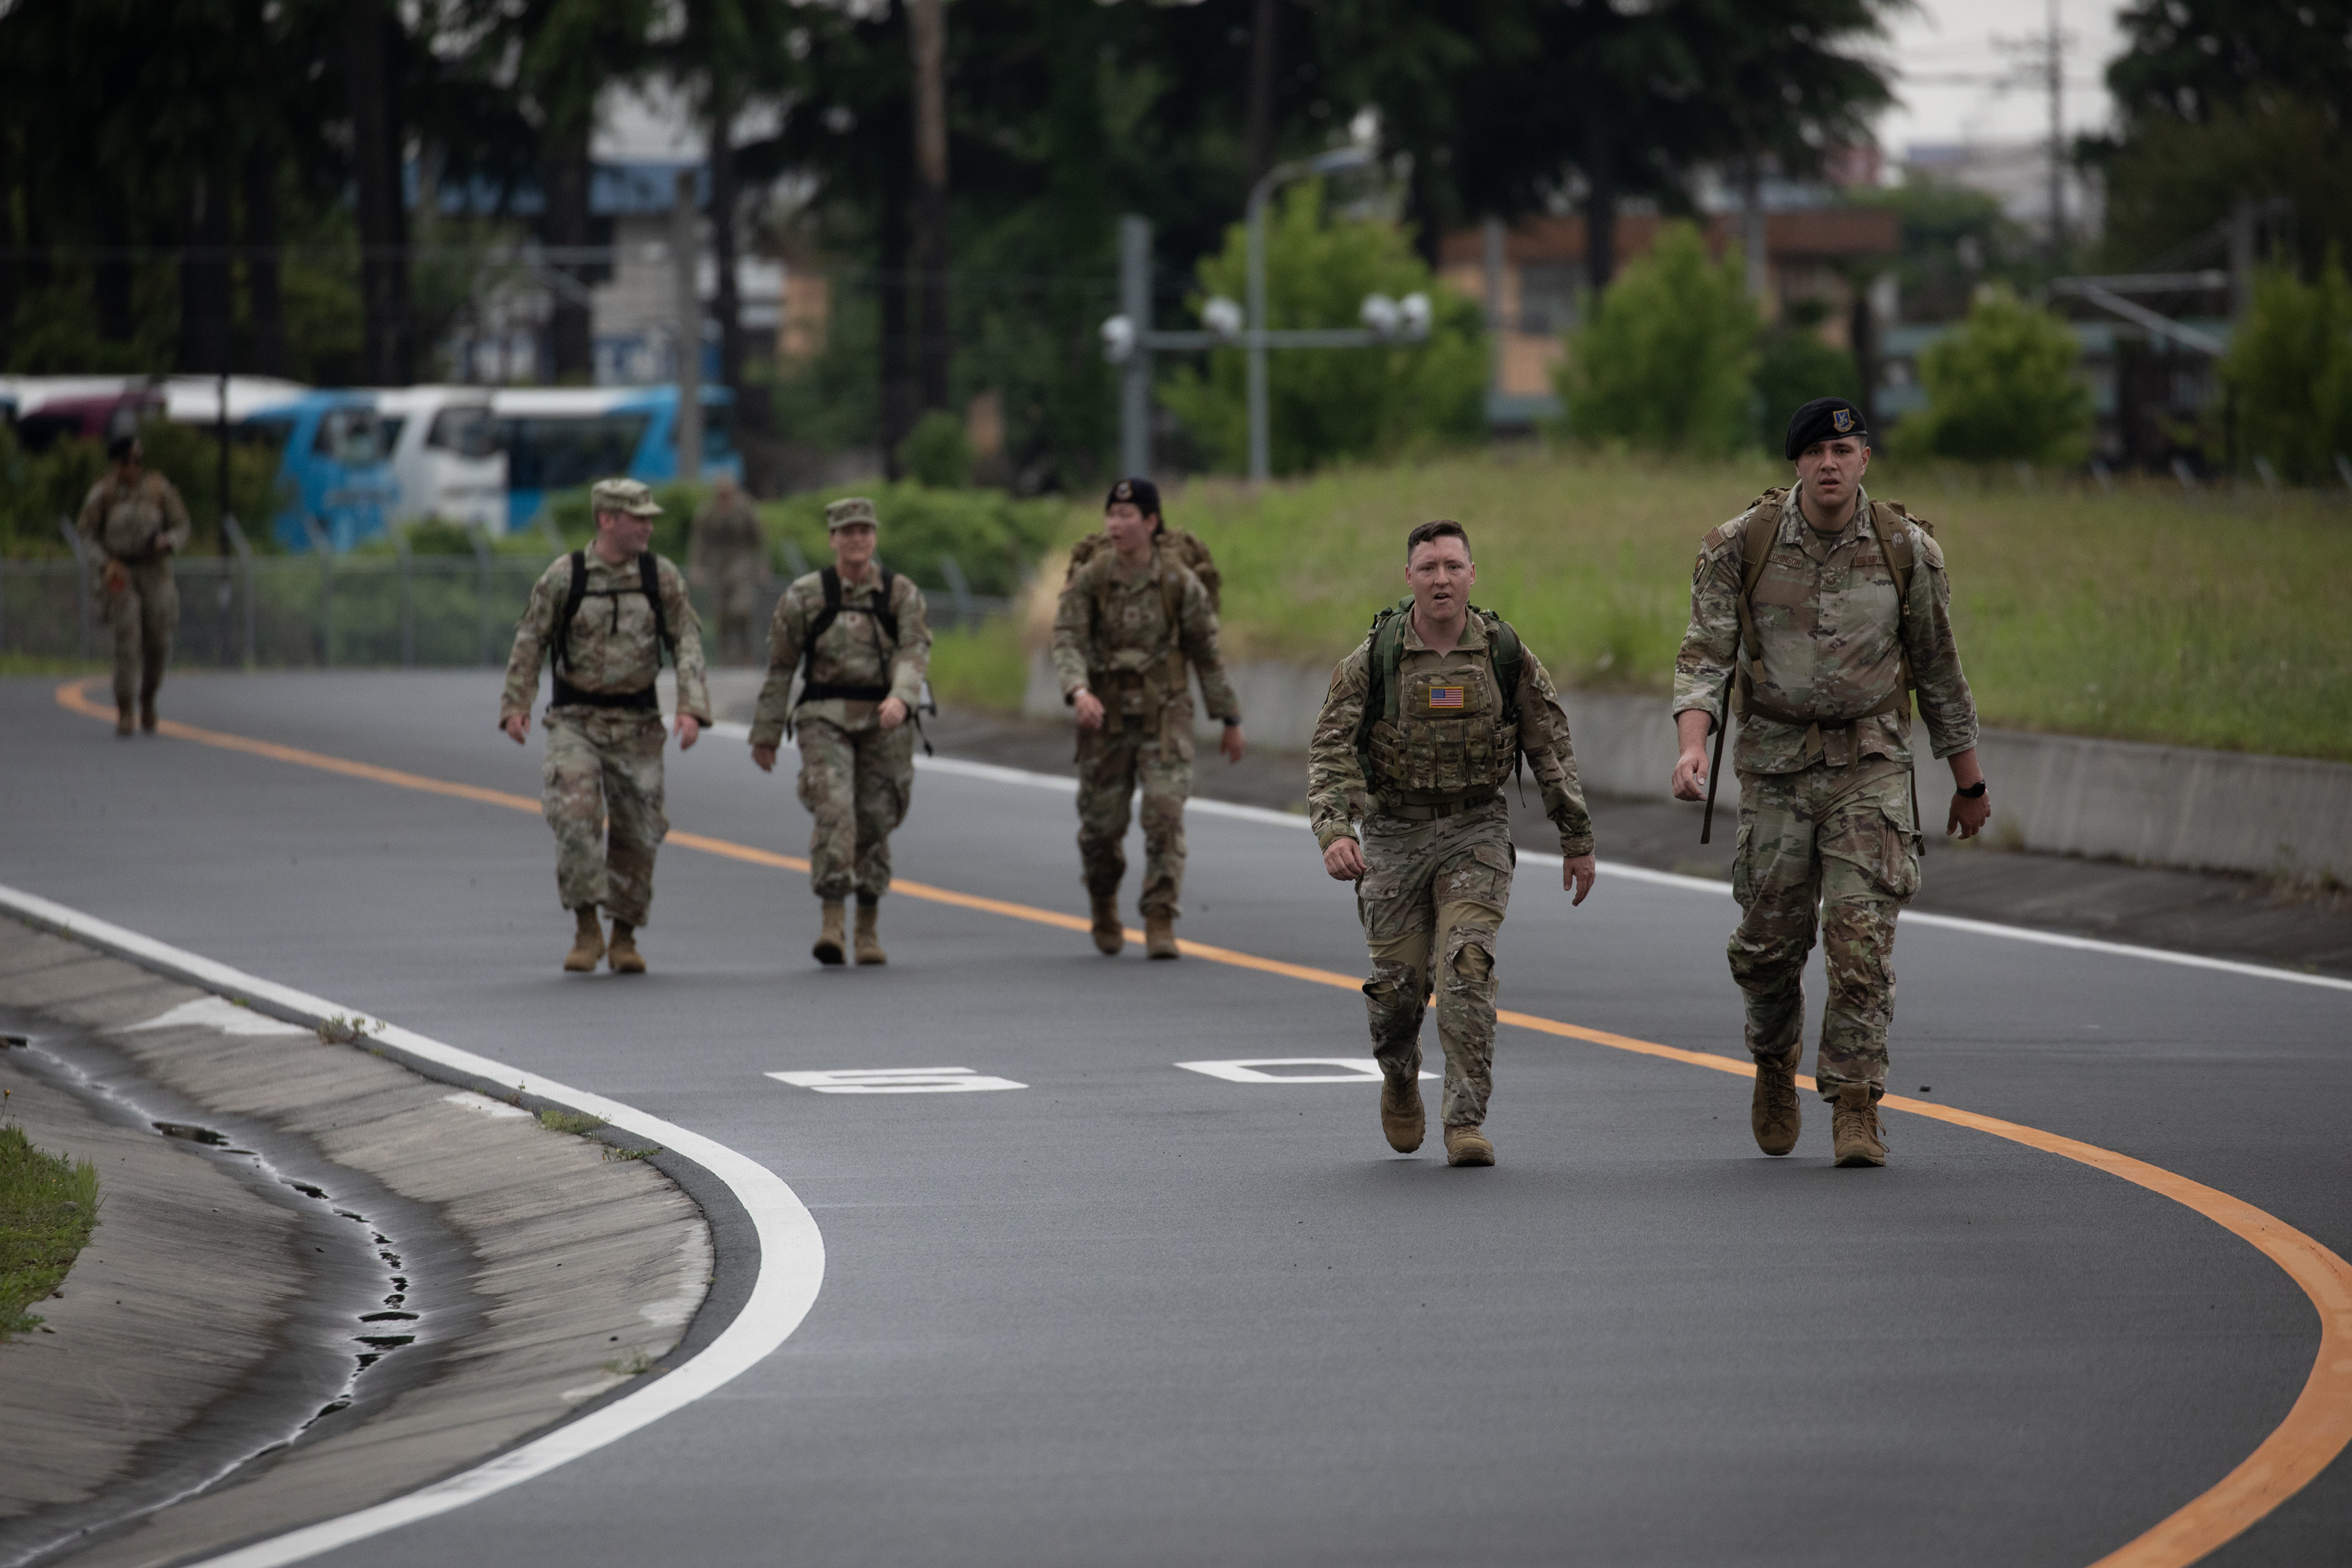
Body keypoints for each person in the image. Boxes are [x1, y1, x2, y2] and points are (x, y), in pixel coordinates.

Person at [1669, 397, 1988, 1168]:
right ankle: (1775, 1061)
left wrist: (1969, 782)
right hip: (1775, 769)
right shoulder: (1738, 546)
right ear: (1797, 464)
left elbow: (1939, 668)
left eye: (1844, 451)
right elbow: (1705, 658)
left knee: (1861, 942)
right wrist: (1692, 748)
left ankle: (1855, 1104)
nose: (1830, 464)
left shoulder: (1906, 550)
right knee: (1767, 947)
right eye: (1815, 452)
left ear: (1865, 459)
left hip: (1871, 767)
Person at [1308, 519, 1597, 1168]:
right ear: (1408, 578)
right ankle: (1400, 1076)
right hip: (1393, 835)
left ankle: (1465, 1119)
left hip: (1475, 832)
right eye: (1428, 568)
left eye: (1452, 567)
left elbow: (1549, 745)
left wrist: (1575, 835)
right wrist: (1333, 831)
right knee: (1396, 991)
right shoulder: (1373, 660)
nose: (1441, 579)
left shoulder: (1506, 654)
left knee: (1468, 969)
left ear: (1472, 574)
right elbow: (1330, 750)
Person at [500, 478, 710, 975]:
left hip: (638, 725)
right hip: (575, 721)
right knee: (574, 816)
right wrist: (516, 703)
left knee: (639, 832)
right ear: (606, 520)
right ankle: (586, 928)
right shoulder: (565, 577)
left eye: (650, 517)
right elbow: (530, 640)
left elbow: (687, 643)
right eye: (638, 517)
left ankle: (625, 936)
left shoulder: (662, 578)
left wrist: (691, 706)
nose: (649, 525)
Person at [1052, 478, 1245, 960]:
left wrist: (1229, 717)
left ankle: (1160, 917)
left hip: (1166, 714)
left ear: (1151, 522)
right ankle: (1103, 903)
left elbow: (1206, 650)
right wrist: (1078, 691)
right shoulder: (1093, 578)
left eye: (1127, 516)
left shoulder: (1179, 581)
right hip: (1104, 717)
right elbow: (1067, 638)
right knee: (1100, 829)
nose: (1116, 525)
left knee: (1164, 814)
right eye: (1111, 516)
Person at [749, 497, 932, 966]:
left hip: (884, 717)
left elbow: (914, 651)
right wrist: (766, 733)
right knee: (835, 809)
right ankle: (832, 921)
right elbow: (781, 667)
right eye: (847, 532)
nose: (857, 539)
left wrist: (902, 696)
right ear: (832, 539)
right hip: (824, 716)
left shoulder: (901, 594)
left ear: (875, 537)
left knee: (875, 816)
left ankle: (867, 926)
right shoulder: (805, 596)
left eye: (865, 531)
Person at [76, 433, 191, 736]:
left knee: (159, 641)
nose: (134, 467)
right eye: (128, 462)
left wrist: (169, 541)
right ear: (117, 464)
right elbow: (86, 535)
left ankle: (148, 697)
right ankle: (125, 710)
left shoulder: (158, 490)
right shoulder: (104, 494)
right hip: (121, 571)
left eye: (138, 461)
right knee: (128, 643)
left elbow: (182, 525)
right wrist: (103, 563)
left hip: (155, 570)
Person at [689, 474, 769, 664]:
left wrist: (763, 566)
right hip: (717, 564)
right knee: (721, 614)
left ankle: (747, 653)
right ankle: (725, 658)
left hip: (741, 561)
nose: (724, 497)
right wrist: (697, 567)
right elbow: (698, 541)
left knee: (742, 610)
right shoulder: (708, 512)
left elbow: (760, 540)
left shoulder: (746, 508)